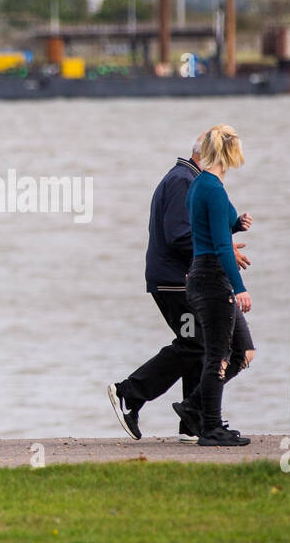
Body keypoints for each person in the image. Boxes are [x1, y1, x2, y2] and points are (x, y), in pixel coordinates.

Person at [108, 133, 255, 441]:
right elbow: (179, 235)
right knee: (196, 344)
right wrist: (224, 249)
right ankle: (130, 393)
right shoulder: (182, 180)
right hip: (175, 281)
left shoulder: (189, 178)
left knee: (199, 346)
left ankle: (192, 423)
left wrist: (230, 231)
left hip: (182, 279)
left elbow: (199, 228)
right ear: (206, 155)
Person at [171, 124, 253, 446]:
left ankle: (193, 408)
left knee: (243, 352)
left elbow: (220, 226)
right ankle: (212, 426)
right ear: (231, 152)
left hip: (203, 276)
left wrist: (237, 224)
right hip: (211, 278)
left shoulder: (204, 185)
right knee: (218, 355)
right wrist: (240, 287)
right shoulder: (212, 190)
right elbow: (220, 246)